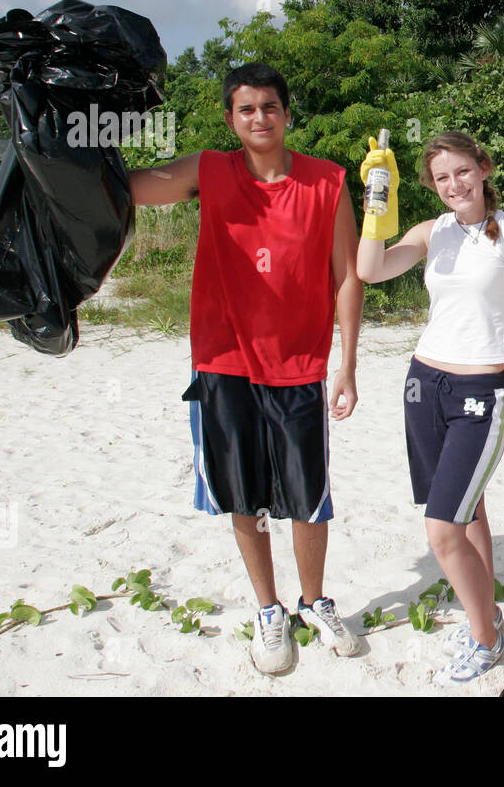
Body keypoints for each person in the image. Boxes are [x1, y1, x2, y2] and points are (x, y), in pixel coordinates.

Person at [128, 62, 364, 674]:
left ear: (287, 114)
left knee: (309, 496)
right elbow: (130, 188)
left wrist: (348, 363)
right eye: (245, 109)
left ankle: (314, 599)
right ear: (231, 118)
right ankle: (269, 608)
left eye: (269, 107)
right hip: (224, 360)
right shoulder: (208, 170)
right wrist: (61, 157)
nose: (258, 118)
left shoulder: (327, 181)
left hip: (299, 362)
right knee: (243, 494)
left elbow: (347, 277)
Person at [356, 131, 504, 685]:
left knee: (441, 529)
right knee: (470, 511)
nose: (454, 185)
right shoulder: (429, 231)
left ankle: (484, 637)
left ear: (483, 168)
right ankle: (488, 615)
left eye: (463, 171)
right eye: (442, 178)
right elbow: (369, 269)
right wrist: (376, 197)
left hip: (480, 394)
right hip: (423, 384)